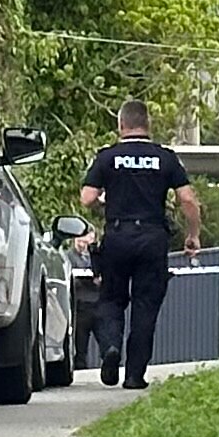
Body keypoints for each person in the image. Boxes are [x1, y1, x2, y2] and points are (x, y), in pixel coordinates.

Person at [79, 99, 200, 388]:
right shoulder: (165, 157)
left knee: (111, 299)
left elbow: (87, 198)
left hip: (118, 237)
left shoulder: (107, 157)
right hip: (151, 238)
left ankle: (111, 347)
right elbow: (187, 200)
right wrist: (193, 234)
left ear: (121, 125)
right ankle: (134, 376)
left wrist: (105, 203)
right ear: (148, 125)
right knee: (145, 307)